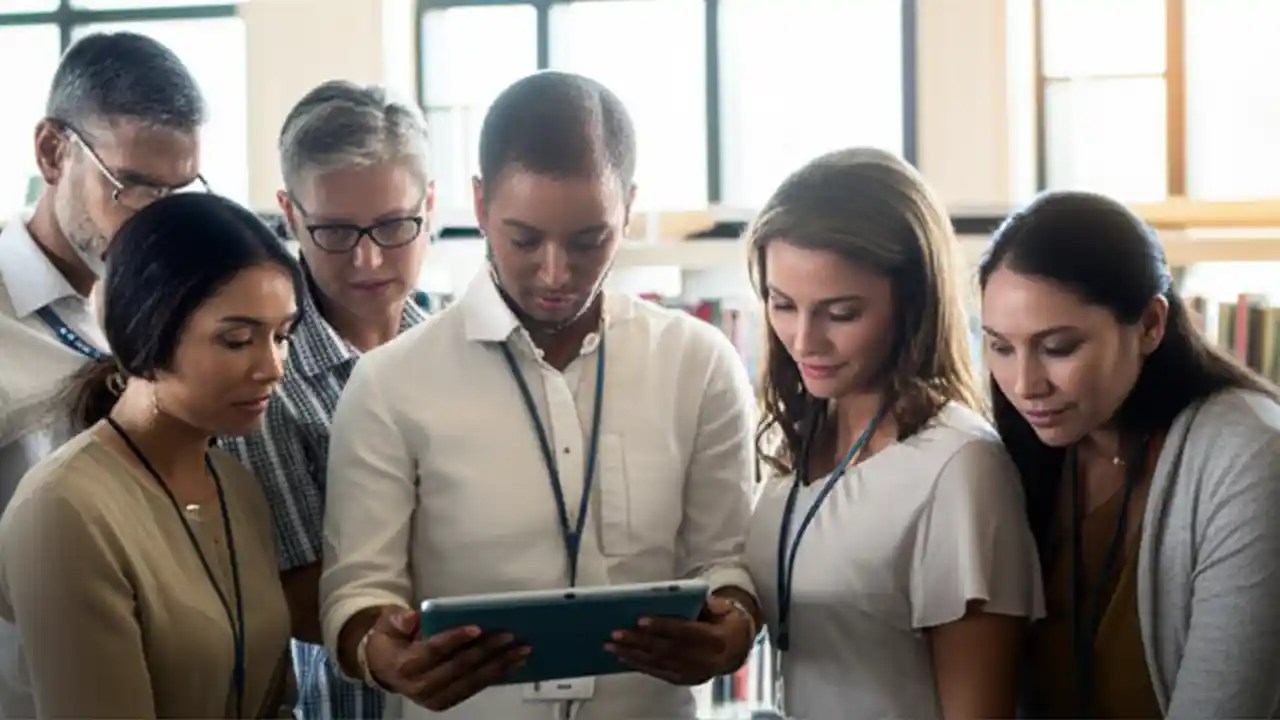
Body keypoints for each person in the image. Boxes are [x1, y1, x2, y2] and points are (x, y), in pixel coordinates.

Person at [319, 70, 760, 720]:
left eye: (590, 240)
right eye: (524, 239)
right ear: (478, 203)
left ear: (628, 209)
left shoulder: (700, 364)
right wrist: (381, 650)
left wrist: (735, 627)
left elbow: (728, 563)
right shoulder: (389, 383)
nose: (556, 272)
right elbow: (357, 590)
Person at [742, 148, 1045, 720]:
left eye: (841, 313)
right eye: (782, 305)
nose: (804, 341)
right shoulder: (794, 441)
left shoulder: (960, 467)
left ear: (912, 303)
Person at [979, 190, 1280, 719]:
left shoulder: (1250, 455)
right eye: (1001, 346)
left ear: (1149, 326)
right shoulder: (1013, 452)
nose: (1024, 384)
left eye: (1058, 348)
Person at [0, 193, 298, 718]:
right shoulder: (64, 511)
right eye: (237, 340)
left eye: (282, 335)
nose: (272, 366)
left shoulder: (235, 486)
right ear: (150, 331)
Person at [218, 80, 434, 720]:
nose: (368, 260)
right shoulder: (264, 377)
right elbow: (299, 590)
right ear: (290, 215)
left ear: (432, 205)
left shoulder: (457, 352)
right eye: (335, 231)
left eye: (395, 226)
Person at [0, 31, 206, 512]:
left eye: (176, 192)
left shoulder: (174, 305)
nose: (157, 219)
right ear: (52, 153)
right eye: (132, 186)